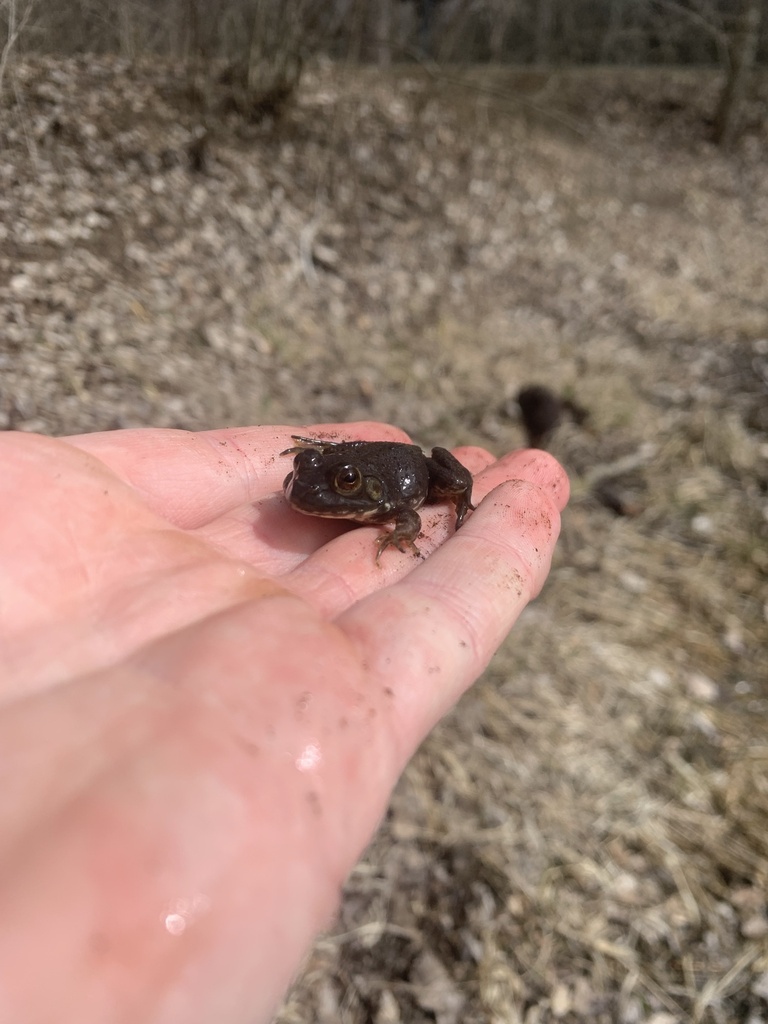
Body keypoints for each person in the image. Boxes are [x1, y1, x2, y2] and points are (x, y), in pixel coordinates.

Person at [0, 421, 568, 1023]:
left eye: (342, 483)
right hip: (372, 463)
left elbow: (404, 509)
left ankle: (396, 478)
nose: (304, 494)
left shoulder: (393, 491)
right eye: (300, 479)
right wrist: (323, 467)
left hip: (410, 469)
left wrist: (415, 520)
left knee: (448, 473)